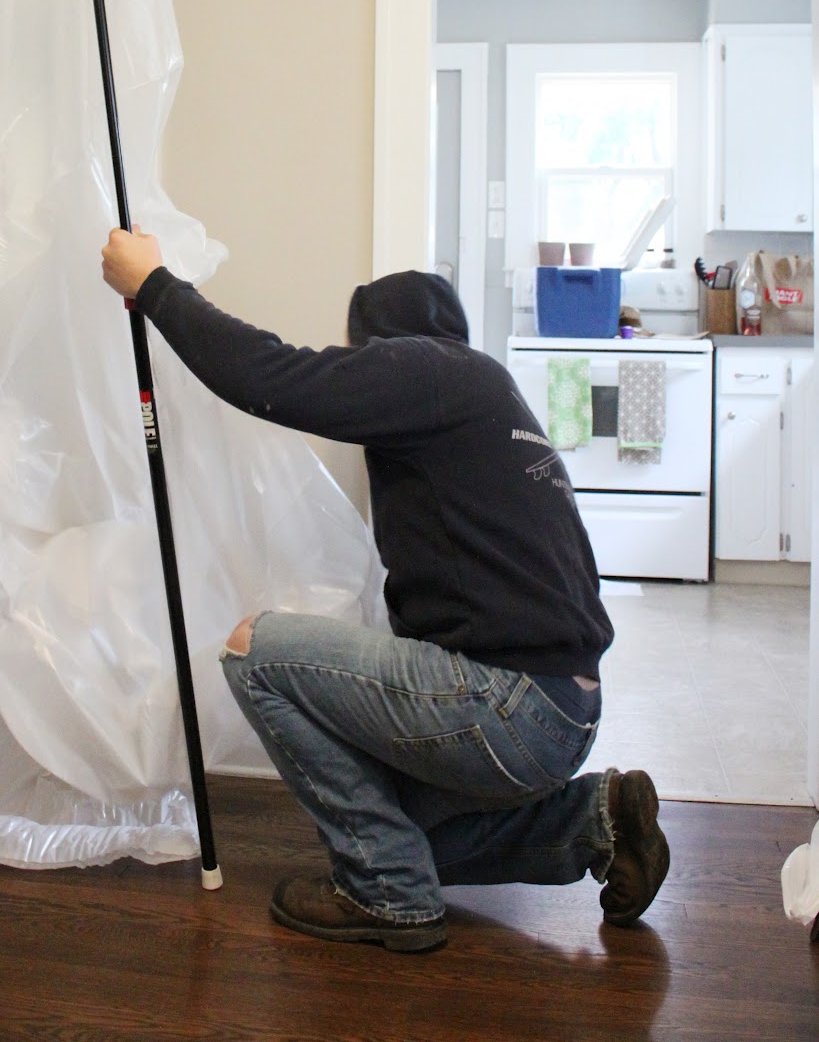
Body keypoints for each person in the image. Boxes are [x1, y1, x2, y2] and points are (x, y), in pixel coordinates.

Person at [100, 228, 670, 953]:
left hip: (511, 705)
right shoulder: (484, 393)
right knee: (409, 831)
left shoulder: (425, 371)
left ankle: (385, 894)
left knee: (255, 650)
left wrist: (152, 285)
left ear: (383, 342)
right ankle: (596, 822)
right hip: (563, 710)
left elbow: (268, 377)